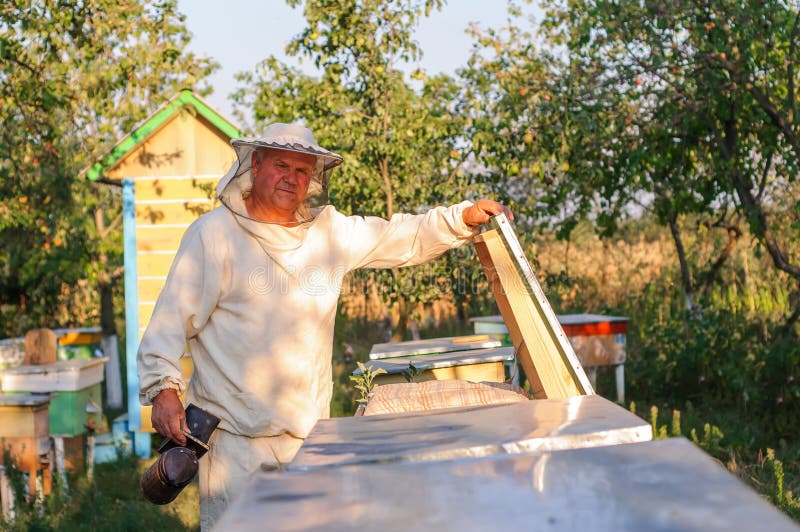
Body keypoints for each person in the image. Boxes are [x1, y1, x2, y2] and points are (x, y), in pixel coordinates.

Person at [137, 123, 512, 529]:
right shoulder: (214, 236)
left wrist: (462, 218)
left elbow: (400, 235)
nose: (291, 178)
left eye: (302, 171)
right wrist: (163, 389)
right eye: (281, 165)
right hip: (234, 444)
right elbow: (170, 320)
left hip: (310, 438)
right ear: (255, 164)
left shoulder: (329, 234)